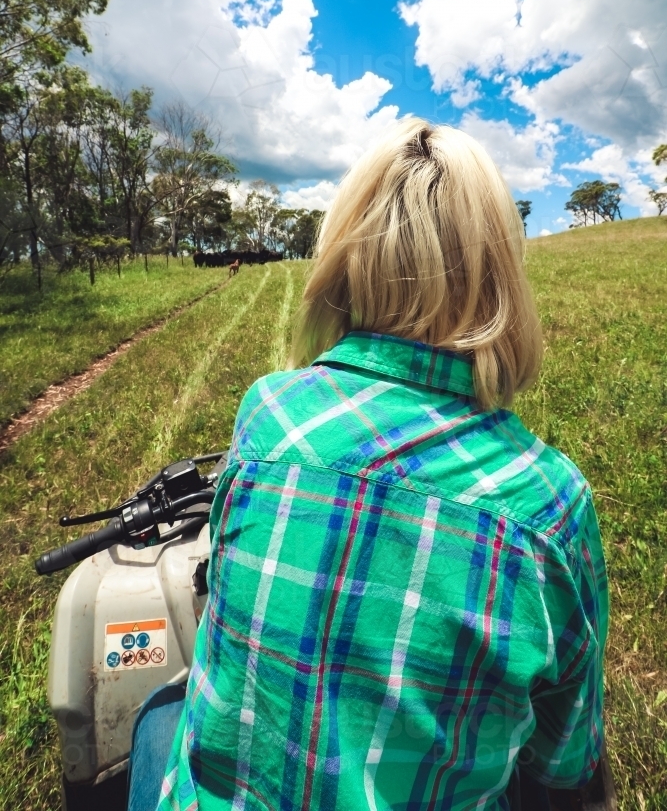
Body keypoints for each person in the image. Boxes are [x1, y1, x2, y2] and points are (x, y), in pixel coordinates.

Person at [129, 118, 609, 811]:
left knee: (155, 716)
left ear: (346, 260)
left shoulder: (267, 416)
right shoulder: (549, 505)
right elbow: (563, 766)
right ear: (498, 276)